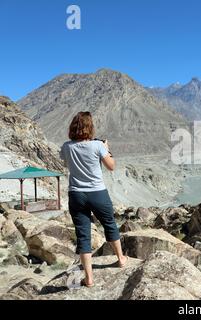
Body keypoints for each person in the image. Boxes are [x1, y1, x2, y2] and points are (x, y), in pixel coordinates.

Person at [60, 111, 127, 288]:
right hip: (97, 193)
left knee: (83, 235)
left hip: (76, 194)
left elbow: (68, 164)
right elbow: (111, 166)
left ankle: (88, 278)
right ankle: (120, 259)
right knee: (109, 224)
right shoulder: (97, 146)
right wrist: (106, 148)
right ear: (90, 128)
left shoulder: (66, 146)